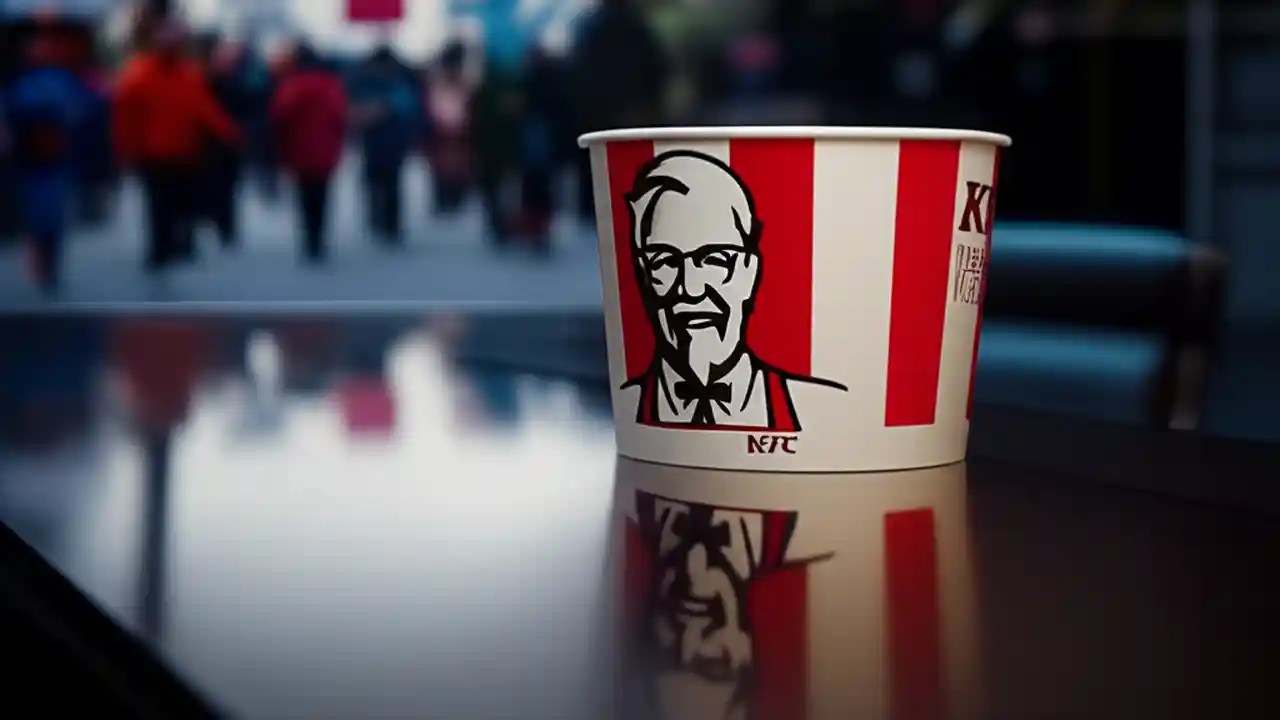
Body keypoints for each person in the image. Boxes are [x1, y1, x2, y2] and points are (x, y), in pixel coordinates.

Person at [618, 151, 846, 430]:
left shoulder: (824, 409)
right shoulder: (626, 405)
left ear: (749, 271)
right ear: (644, 276)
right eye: (665, 261)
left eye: (714, 259)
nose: (691, 288)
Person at [113, 21, 240, 274]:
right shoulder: (143, 74)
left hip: (180, 150)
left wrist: (228, 133)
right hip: (155, 152)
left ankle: (171, 245)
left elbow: (204, 109)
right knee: (159, 203)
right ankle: (160, 248)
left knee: (175, 202)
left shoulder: (180, 74)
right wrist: (125, 149)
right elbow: (125, 115)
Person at [570, 0, 668, 222]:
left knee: (601, 167)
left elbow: (579, 74)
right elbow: (656, 69)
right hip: (630, 114)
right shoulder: (635, 27)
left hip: (603, 114)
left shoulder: (591, 27)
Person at [5, 36, 88, 293]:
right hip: (32, 157)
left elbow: (78, 110)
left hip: (55, 156)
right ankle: (41, 260)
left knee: (53, 214)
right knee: (39, 213)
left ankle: (49, 263)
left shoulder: (60, 79)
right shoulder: (19, 81)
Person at [270, 43, 347, 264]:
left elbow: (279, 116)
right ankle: (319, 239)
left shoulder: (291, 86)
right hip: (325, 149)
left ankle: (309, 240)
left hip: (299, 150)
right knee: (321, 197)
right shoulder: (330, 85)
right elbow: (340, 117)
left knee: (303, 197)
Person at [349, 46, 420, 245]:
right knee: (382, 182)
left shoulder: (379, 81)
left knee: (387, 183)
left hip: (387, 140)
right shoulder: (389, 81)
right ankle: (384, 221)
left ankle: (387, 222)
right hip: (381, 140)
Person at [422, 40, 475, 217]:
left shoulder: (449, 78)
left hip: (452, 129)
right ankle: (447, 198)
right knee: (447, 166)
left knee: (452, 166)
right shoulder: (444, 79)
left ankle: (450, 198)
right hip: (446, 129)